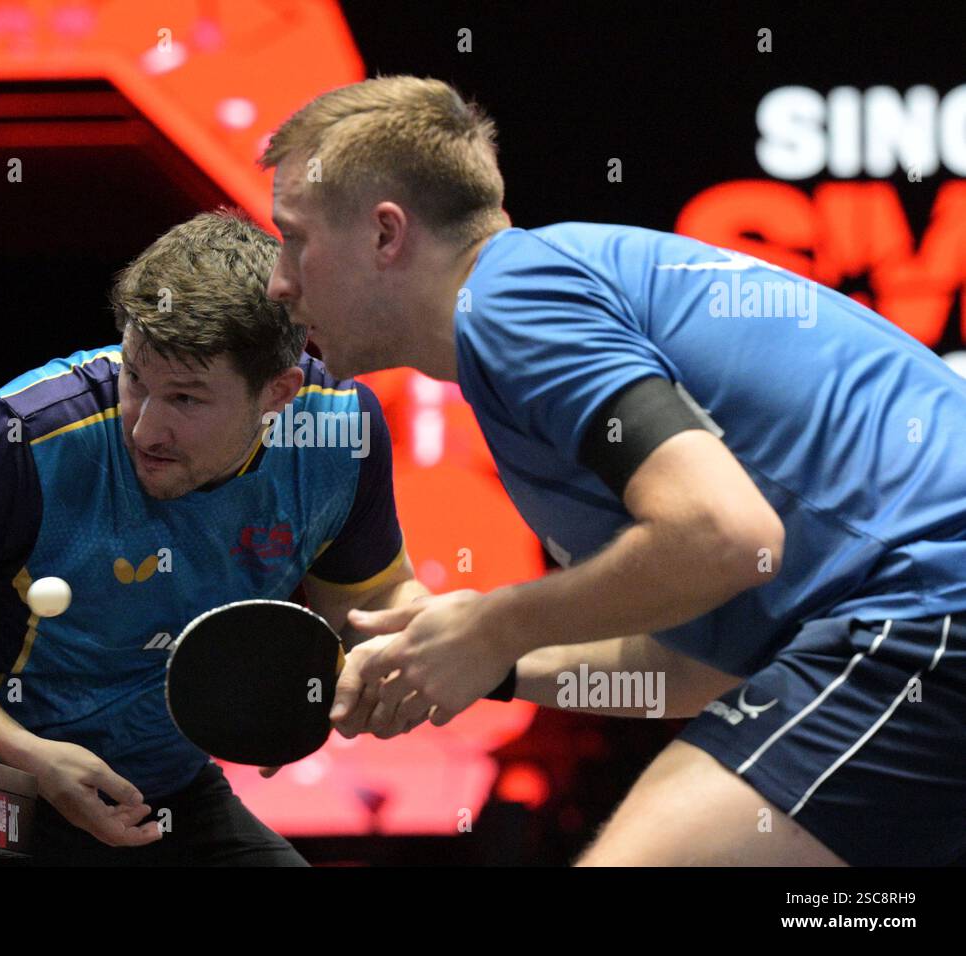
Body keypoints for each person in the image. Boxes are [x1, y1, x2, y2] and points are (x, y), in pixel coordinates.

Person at [260, 75, 966, 866]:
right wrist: (479, 660)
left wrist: (496, 624)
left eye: (293, 239)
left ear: (386, 234)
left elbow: (722, 534)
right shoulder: (535, 319)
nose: (279, 283)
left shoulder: (512, 303)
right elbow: (697, 670)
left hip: (929, 610)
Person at [0, 210, 427, 866]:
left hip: (145, 787)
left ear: (279, 391)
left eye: (185, 400)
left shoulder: (336, 438)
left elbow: (371, 603)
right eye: (134, 378)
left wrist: (308, 696)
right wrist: (29, 757)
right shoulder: (26, 436)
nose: (145, 428)